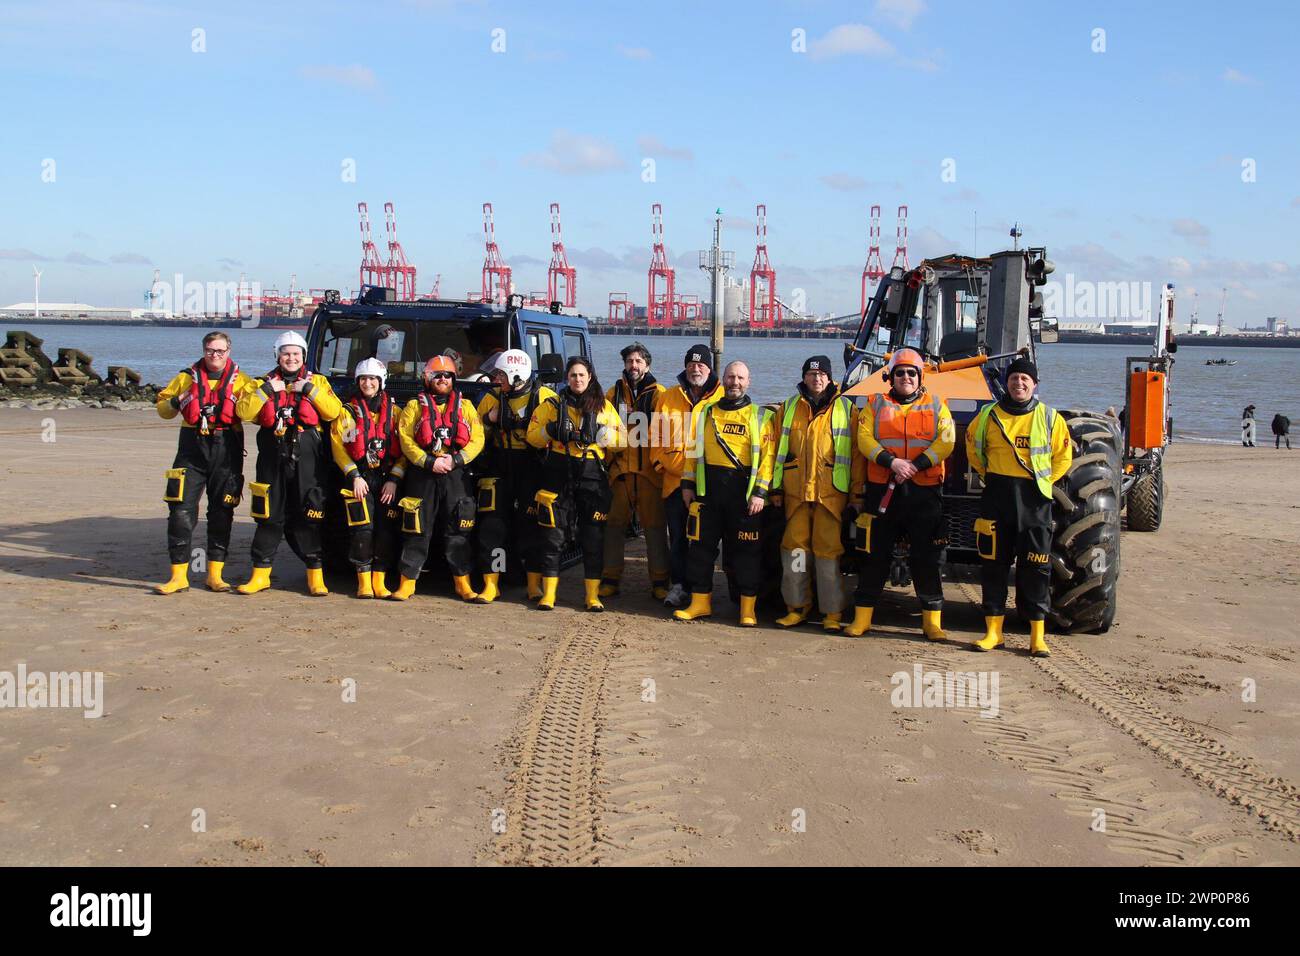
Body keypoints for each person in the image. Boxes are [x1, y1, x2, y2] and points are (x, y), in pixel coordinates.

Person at [843, 348, 955, 638]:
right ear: (890, 377)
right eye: (900, 372)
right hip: (884, 492)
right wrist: (891, 462)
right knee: (874, 555)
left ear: (919, 377)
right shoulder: (874, 404)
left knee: (927, 557)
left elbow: (947, 441)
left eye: (911, 373)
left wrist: (914, 465)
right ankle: (863, 617)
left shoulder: (937, 404)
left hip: (924, 492)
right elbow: (864, 439)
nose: (905, 377)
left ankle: (932, 622)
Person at [966, 356, 1072, 656]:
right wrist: (989, 475)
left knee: (1036, 569)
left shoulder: (1051, 419)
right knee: (994, 568)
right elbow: (973, 447)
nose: (1019, 383)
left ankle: (1037, 636)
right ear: (1007, 382)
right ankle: (993, 633)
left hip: (1035, 501)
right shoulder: (987, 415)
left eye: (1025, 378)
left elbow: (1063, 456)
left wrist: (1044, 480)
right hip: (996, 498)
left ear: (1034, 384)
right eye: (1014, 378)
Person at [235, 331, 343, 596]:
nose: (291, 359)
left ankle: (315, 575)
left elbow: (333, 411)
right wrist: (267, 391)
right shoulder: (263, 382)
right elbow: (243, 411)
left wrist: (308, 390)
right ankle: (261, 573)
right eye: (286, 353)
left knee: (310, 514)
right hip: (273, 457)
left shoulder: (317, 381)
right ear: (277, 356)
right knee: (269, 515)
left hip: (308, 458)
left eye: (296, 354)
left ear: (303, 356)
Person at [673, 361, 777, 627]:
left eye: (740, 378)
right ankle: (700, 602)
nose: (735, 382)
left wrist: (760, 494)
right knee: (700, 550)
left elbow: (768, 460)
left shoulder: (760, 416)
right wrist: (687, 485)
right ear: (723, 380)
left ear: (748, 381)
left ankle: (747, 608)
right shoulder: (706, 412)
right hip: (708, 496)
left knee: (747, 554)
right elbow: (693, 452)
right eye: (730, 377)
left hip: (744, 499)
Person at [154, 331, 253, 594]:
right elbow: (163, 410)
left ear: (228, 352)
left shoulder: (243, 382)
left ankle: (215, 575)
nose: (215, 355)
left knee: (222, 512)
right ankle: (178, 576)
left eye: (220, 351)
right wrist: (177, 400)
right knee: (180, 512)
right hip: (191, 449)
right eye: (210, 350)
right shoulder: (185, 378)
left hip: (226, 449)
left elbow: (254, 413)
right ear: (204, 350)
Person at [771, 355, 865, 632]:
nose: (817, 378)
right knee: (795, 553)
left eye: (822, 374)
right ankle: (797, 608)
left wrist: (857, 496)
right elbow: (773, 452)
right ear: (804, 377)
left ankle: (832, 613)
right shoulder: (788, 409)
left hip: (830, 498)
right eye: (811, 374)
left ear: (830, 377)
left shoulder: (847, 410)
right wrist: (774, 489)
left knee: (827, 556)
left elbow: (857, 458)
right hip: (796, 497)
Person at [527, 356, 625, 611]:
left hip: (592, 475)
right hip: (558, 471)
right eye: (573, 376)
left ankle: (592, 595)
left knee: (593, 536)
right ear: (567, 378)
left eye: (582, 375)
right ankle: (549, 593)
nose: (577, 380)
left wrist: (603, 434)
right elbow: (532, 438)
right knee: (552, 535)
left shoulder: (604, 407)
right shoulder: (552, 405)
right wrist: (550, 430)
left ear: (590, 377)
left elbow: (624, 440)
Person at [390, 355, 485, 601]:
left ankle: (462, 583)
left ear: (454, 379)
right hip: (423, 475)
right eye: (437, 375)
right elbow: (406, 440)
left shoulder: (466, 407)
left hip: (456, 475)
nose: (442, 379)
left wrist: (456, 460)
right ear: (427, 378)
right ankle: (407, 583)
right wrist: (429, 461)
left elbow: (478, 439)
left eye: (447, 376)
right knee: (416, 529)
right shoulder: (413, 407)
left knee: (459, 529)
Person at [473, 348, 556, 603]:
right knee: (492, 526)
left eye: (501, 375)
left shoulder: (545, 397)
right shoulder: (492, 398)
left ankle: (533, 584)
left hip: (532, 467)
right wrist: (489, 419)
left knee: (531, 526)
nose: (497, 379)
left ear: (516, 375)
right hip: (499, 466)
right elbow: (474, 431)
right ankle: (492, 583)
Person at [651, 344, 724, 609]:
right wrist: (664, 466)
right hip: (673, 484)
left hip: (707, 485)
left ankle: (701, 589)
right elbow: (654, 440)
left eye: (701, 364)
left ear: (710, 368)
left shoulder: (722, 398)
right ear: (685, 366)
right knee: (678, 538)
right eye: (691, 364)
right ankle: (679, 584)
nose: (696, 369)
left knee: (703, 541)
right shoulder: (668, 397)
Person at [329, 358, 407, 599]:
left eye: (373, 379)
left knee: (385, 531)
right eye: (363, 378)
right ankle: (363, 580)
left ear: (381, 382)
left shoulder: (396, 413)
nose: (368, 383)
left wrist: (394, 479)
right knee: (362, 530)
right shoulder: (346, 412)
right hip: (358, 479)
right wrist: (353, 475)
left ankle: (379, 580)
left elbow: (405, 450)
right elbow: (338, 447)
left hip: (386, 481)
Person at [600, 342, 670, 600]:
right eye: (630, 361)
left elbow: (667, 434)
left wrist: (662, 465)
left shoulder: (660, 394)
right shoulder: (612, 393)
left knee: (654, 528)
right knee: (614, 526)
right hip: (619, 473)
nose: (634, 366)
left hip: (650, 473)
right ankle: (610, 578)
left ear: (647, 365)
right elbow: (602, 428)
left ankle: (661, 581)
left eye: (639, 361)